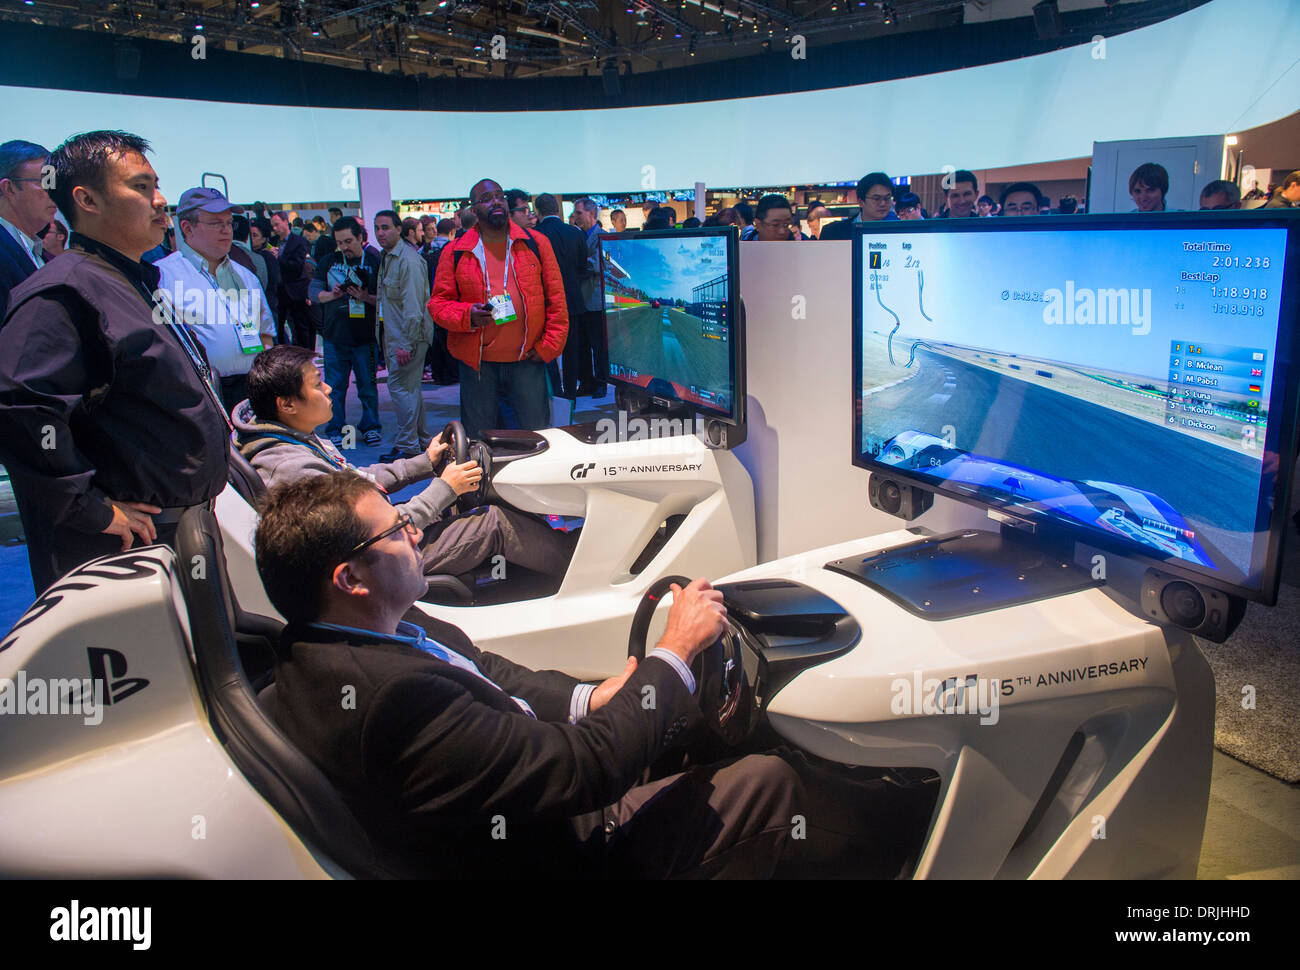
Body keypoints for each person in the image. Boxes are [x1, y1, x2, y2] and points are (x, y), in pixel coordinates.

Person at [254, 472, 932, 878]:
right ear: (348, 579)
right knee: (773, 783)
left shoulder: (342, 641)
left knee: (686, 733)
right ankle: (919, 837)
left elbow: (486, 671)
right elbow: (585, 772)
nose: (418, 533)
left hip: (527, 806)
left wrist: (593, 695)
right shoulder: (391, 702)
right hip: (568, 853)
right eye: (396, 531)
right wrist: (672, 650)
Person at [0, 130, 229, 593]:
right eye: (141, 187)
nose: (161, 200)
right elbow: (20, 409)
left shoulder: (127, 279)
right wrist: (90, 507)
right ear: (87, 200)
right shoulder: (65, 292)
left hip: (173, 532)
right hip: (123, 546)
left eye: (156, 184)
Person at [236, 346, 572, 579]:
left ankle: (549, 557)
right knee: (493, 522)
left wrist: (424, 463)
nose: (328, 388)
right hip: (378, 559)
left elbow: (359, 479)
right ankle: (574, 565)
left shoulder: (294, 438)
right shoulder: (292, 470)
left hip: (378, 534)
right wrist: (444, 488)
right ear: (286, 404)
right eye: (315, 385)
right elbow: (377, 532)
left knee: (477, 498)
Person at [430, 179, 568, 438]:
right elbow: (438, 304)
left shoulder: (536, 243)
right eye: (486, 198)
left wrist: (549, 346)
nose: (495, 201)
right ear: (473, 209)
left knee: (536, 436)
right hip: (478, 365)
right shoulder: (456, 252)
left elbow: (557, 300)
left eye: (499, 196)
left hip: (528, 360)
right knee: (479, 439)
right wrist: (466, 315)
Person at [155, 187, 276, 414]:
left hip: (252, 392)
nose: (226, 230)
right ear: (187, 227)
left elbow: (265, 333)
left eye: (229, 223)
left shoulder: (246, 277)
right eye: (215, 223)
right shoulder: (163, 277)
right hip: (199, 395)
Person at [310, 215, 383, 447]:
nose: (344, 247)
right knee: (335, 387)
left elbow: (387, 299)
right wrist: (332, 295)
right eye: (339, 242)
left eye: (348, 241)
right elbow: (313, 293)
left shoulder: (374, 260)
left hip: (365, 336)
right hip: (335, 335)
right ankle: (335, 428)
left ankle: (371, 426)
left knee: (368, 386)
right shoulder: (328, 261)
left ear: (361, 238)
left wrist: (365, 297)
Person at [374, 208, 432, 462]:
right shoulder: (390, 258)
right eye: (377, 228)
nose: (380, 233)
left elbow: (413, 308)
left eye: (385, 227)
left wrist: (406, 344)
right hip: (398, 337)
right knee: (409, 389)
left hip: (407, 338)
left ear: (399, 229)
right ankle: (420, 439)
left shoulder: (407, 260)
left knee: (400, 388)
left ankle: (408, 445)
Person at [532, 192, 589, 400]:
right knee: (572, 351)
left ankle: (555, 393)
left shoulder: (535, 235)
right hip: (573, 300)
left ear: (537, 211)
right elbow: (584, 267)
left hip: (546, 302)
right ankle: (571, 394)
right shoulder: (575, 233)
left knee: (547, 349)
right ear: (557, 209)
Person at [0, 139, 56, 319]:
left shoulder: (42, 254)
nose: (53, 191)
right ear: (9, 188)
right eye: (44, 182)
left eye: (54, 181)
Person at [570, 196, 608, 397]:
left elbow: (597, 265)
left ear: (591, 213)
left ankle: (601, 382)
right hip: (580, 301)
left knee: (598, 346)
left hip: (594, 301)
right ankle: (587, 382)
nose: (576, 218)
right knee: (582, 346)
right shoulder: (578, 237)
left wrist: (580, 264)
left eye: (579, 213)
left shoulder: (602, 236)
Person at [271, 210, 314, 348]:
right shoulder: (275, 241)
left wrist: (279, 258)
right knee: (280, 324)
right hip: (280, 290)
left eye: (277, 225)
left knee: (300, 325)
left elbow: (297, 265)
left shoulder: (299, 242)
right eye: (273, 226)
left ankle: (305, 355)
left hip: (296, 290)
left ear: (286, 222)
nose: (275, 228)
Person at [820, 172, 898, 239]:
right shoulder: (833, 232)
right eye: (876, 199)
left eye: (887, 198)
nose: (883, 203)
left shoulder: (900, 230)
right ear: (861, 202)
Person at [249, 216, 285, 340]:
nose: (251, 239)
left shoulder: (266, 257)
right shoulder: (252, 256)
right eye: (250, 235)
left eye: (255, 235)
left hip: (268, 306)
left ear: (264, 238)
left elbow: (276, 280)